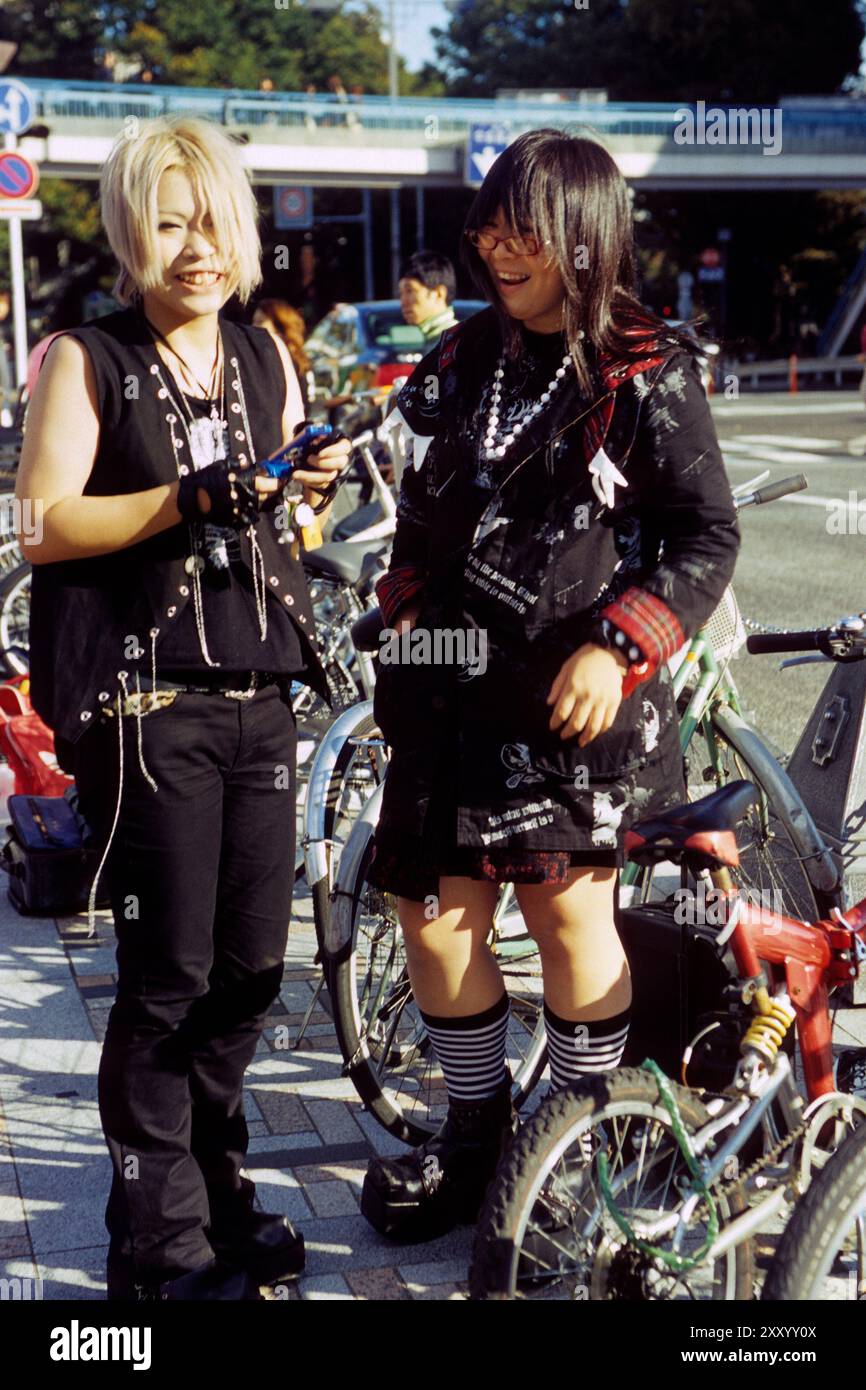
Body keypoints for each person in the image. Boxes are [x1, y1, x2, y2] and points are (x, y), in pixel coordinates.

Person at [362, 128, 741, 1243]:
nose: (492, 245)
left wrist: (618, 645)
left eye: (519, 228)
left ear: (585, 235)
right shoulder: (460, 358)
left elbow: (703, 533)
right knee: (429, 917)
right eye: (485, 224)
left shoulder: (642, 362)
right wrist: (403, 594)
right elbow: (422, 513)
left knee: (567, 918)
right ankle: (476, 1134)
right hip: (444, 691)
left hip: (573, 701)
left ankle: (573, 1145)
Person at [14, 115, 351, 1300]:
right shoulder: (84, 357)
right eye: (170, 222)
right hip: (147, 702)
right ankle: (158, 1246)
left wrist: (305, 490)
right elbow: (42, 522)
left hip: (260, 694)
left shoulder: (265, 352)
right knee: (170, 971)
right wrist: (180, 499)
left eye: (213, 219)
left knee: (255, 966)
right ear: (128, 234)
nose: (196, 245)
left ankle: (211, 1188)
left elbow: (284, 531)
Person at [252, 298, 312, 412]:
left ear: (279, 327)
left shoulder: (286, 360)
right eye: (254, 321)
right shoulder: (297, 357)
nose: (253, 327)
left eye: (260, 322)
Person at [398, 250, 458, 344]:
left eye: (410, 291)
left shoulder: (456, 341)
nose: (403, 302)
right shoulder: (434, 340)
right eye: (401, 293)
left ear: (439, 294)